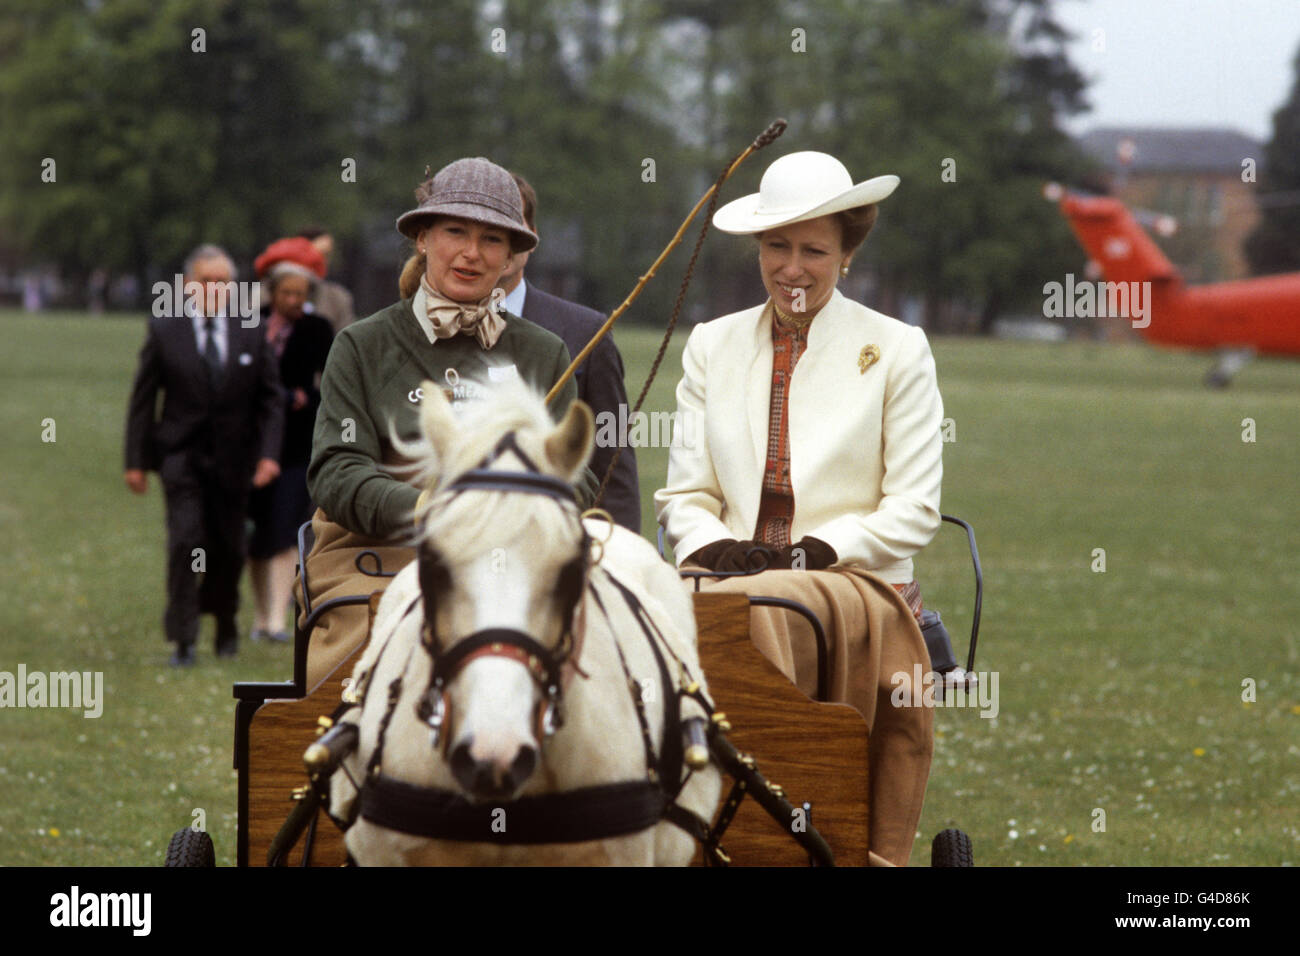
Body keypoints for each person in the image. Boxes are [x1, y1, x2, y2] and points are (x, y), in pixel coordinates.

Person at [654, 151, 944, 866]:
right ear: (757, 249)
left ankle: (812, 836)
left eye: (814, 249)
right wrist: (717, 550)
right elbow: (685, 497)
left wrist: (811, 553)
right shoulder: (711, 346)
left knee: (766, 606)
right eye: (776, 246)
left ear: (847, 256)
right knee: (644, 613)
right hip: (727, 575)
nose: (793, 267)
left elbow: (914, 511)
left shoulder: (898, 349)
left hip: (857, 584)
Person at [302, 157, 597, 687]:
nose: (471, 253)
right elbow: (335, 470)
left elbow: (581, 480)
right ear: (421, 238)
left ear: (511, 256)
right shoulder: (361, 345)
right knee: (366, 661)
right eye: (454, 232)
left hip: (516, 565)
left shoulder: (544, 353)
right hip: (379, 558)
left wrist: (513, 511)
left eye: (491, 240)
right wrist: (425, 507)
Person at [124, 244, 284, 666]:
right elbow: (143, 400)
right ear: (188, 285)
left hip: (235, 462)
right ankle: (184, 638)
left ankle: (226, 622)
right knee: (185, 542)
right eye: (206, 282)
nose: (215, 290)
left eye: (222, 283)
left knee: (228, 549)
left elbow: (272, 398)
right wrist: (135, 462)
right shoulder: (164, 329)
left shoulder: (252, 327)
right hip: (180, 458)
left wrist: (268, 456)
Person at [496, 172, 642, 532]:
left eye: (516, 224)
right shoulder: (424, 329)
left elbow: (613, 463)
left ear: (533, 238)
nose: (504, 241)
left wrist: (621, 553)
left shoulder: (587, 332)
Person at [246, 238, 335, 643]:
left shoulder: (318, 330)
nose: (294, 300)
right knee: (257, 534)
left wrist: (303, 399)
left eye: (301, 294)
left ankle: (277, 620)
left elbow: (331, 383)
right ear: (273, 292)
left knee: (285, 529)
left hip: (297, 443)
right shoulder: (251, 323)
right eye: (287, 293)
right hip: (251, 442)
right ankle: (261, 614)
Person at [297, 226, 356, 333]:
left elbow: (346, 341)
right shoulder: (264, 293)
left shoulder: (338, 298)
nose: (324, 261)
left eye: (328, 255)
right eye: (320, 254)